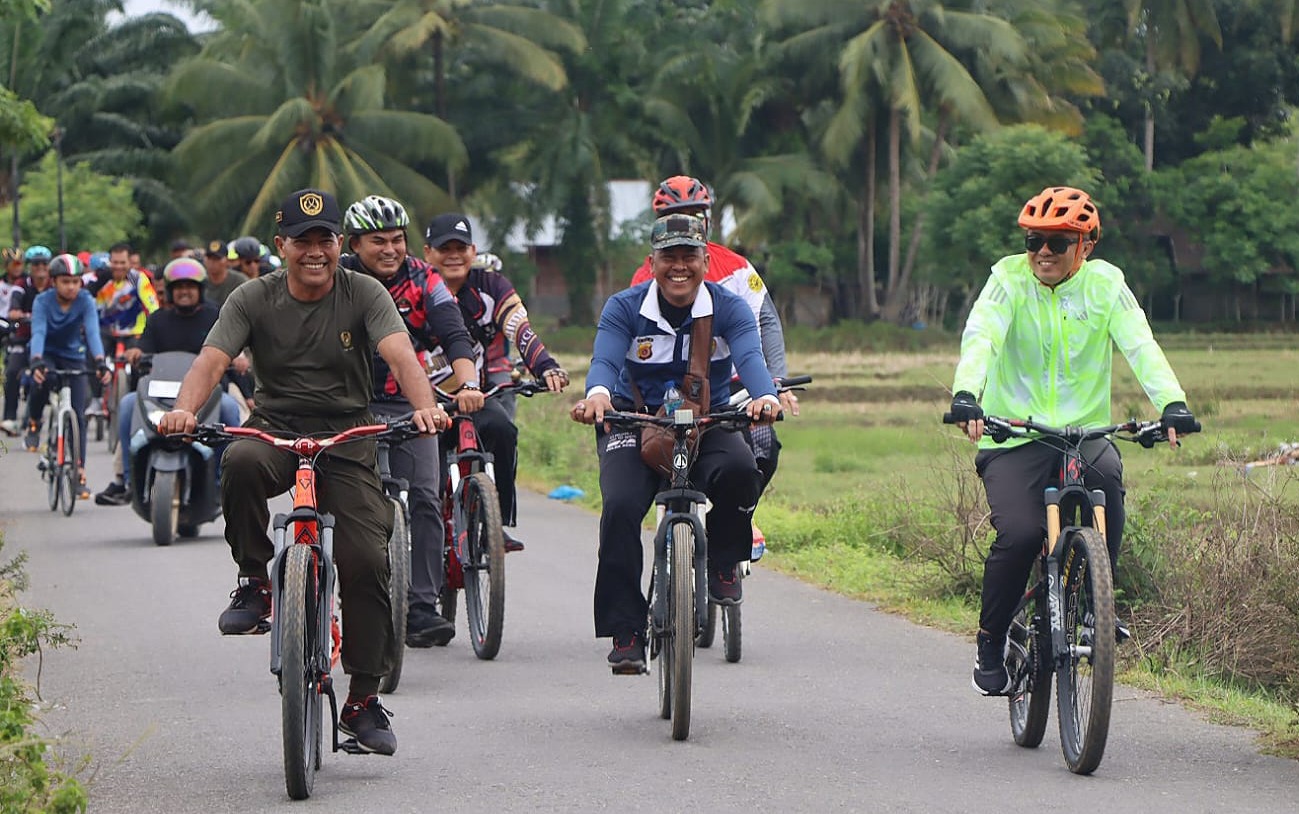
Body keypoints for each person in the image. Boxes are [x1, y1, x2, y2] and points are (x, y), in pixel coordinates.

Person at [157, 189, 449, 756]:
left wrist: (425, 406)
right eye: (303, 241)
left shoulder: (363, 291)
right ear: (281, 246)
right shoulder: (250, 298)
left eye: (326, 240)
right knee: (238, 460)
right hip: (275, 427)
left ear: (340, 244)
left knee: (366, 558)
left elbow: (400, 355)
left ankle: (363, 698)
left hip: (348, 434)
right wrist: (185, 410)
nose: (316, 252)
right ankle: (255, 582)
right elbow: (211, 363)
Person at [949, 186, 1198, 696]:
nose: (1043, 251)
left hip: (1083, 433)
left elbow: (1140, 344)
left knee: (1107, 478)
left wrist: (1171, 403)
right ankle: (991, 641)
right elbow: (983, 337)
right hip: (1014, 435)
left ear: (1084, 245)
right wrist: (967, 394)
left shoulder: (1107, 285)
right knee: (1019, 535)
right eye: (1034, 240)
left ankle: (1095, 606)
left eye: (1058, 242)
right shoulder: (1007, 280)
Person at [572, 213, 781, 673]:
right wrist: (598, 396)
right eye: (669, 257)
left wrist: (765, 395)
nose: (679, 267)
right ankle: (626, 630)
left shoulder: (729, 307)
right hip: (633, 420)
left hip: (708, 420)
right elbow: (604, 360)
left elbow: (749, 355)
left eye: (690, 256)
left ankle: (724, 561)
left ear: (706, 261)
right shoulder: (624, 308)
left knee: (743, 470)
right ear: (652, 263)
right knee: (622, 507)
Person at [630, 175, 798, 559]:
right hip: (671, 392)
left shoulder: (737, 267)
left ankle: (736, 528)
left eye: (693, 215)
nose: (685, 223)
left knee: (762, 444)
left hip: (732, 385)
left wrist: (773, 384)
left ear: (707, 221)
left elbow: (767, 322)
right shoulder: (646, 275)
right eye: (674, 215)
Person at [341, 194, 480, 647]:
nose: (390, 250)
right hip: (348, 407)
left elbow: (454, 332)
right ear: (353, 244)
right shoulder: (337, 279)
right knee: (340, 504)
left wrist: (468, 384)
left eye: (398, 240)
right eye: (377, 241)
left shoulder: (426, 280)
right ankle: (334, 592)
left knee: (425, 494)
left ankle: (421, 603)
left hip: (411, 403)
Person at [422, 213, 569, 551]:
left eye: (461, 248)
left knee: (504, 430)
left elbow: (520, 327)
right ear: (428, 253)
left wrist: (545, 365)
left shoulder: (492, 285)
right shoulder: (418, 285)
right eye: (445, 249)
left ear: (473, 251)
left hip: (476, 395)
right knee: (421, 466)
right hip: (424, 402)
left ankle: (496, 521)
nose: (454, 256)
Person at [94, 258, 243, 506]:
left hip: (209, 394)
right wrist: (135, 354)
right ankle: (129, 480)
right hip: (161, 395)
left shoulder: (216, 316)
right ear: (171, 291)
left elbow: (232, 348)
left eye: (190, 286)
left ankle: (221, 481)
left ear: (200, 289)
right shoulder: (157, 320)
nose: (185, 291)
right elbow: (143, 350)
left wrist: (238, 361)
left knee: (229, 408)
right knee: (129, 404)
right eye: (179, 286)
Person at [25, 254, 113, 498]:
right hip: (47, 354)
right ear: (54, 282)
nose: (71, 287)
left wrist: (99, 362)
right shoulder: (42, 301)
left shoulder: (85, 300)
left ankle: (78, 471)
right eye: (65, 281)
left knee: (79, 415)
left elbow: (93, 333)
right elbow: (39, 332)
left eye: (75, 281)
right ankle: (34, 422)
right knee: (40, 381)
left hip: (74, 355)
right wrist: (36, 361)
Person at [4, 250, 53, 436]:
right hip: (24, 337)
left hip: (48, 339)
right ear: (30, 267)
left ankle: (36, 417)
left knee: (44, 377)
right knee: (12, 371)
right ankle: (10, 418)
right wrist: (20, 314)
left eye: (44, 265)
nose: (40, 269)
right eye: (36, 265)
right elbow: (13, 309)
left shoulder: (54, 286)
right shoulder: (21, 285)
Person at [1, 247, 30, 435]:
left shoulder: (26, 283)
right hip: (5, 326)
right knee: (11, 373)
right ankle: (9, 416)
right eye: (14, 264)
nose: (17, 268)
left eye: (20, 264)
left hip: (27, 327)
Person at [202, 239, 248, 310]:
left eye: (217, 258)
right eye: (209, 258)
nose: (212, 262)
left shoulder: (240, 281)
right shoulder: (201, 281)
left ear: (227, 260)